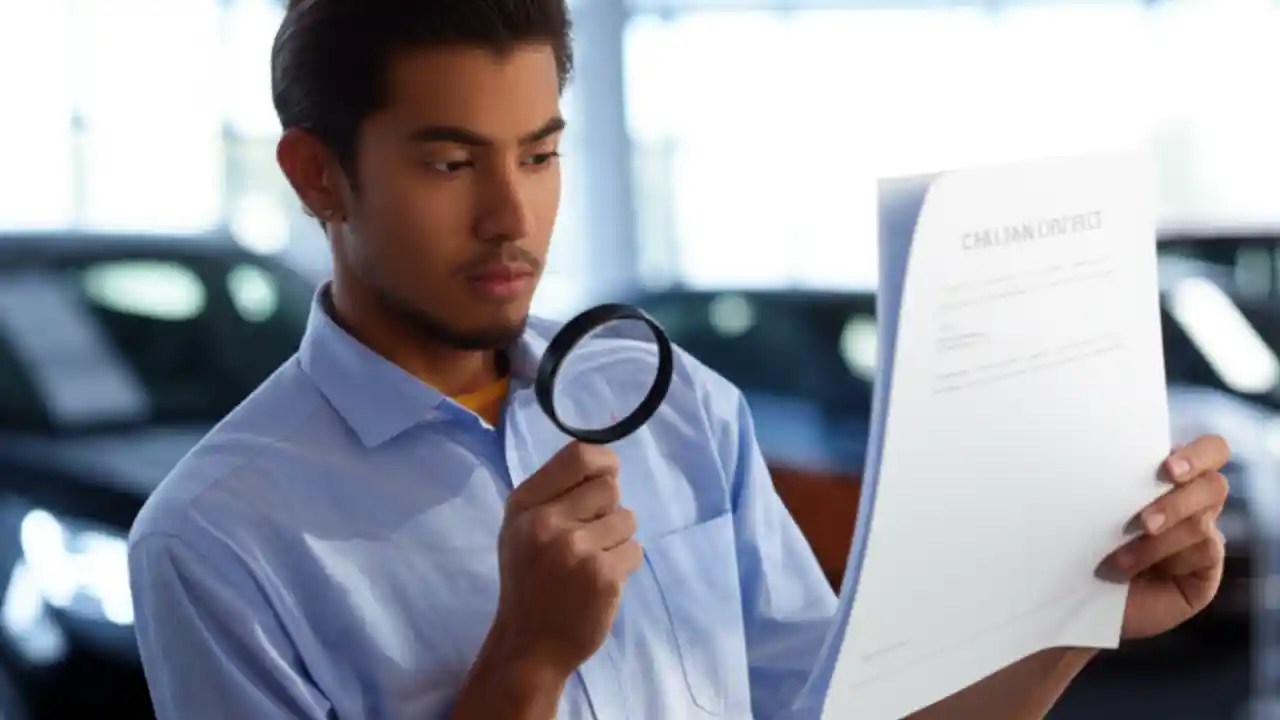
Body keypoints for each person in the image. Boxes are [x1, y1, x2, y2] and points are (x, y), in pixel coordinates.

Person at [127, 1, 1234, 718]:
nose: (513, 217)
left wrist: (1072, 621)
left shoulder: (678, 408)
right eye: (452, 162)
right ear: (317, 176)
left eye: (541, 152)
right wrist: (524, 661)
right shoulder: (214, 539)